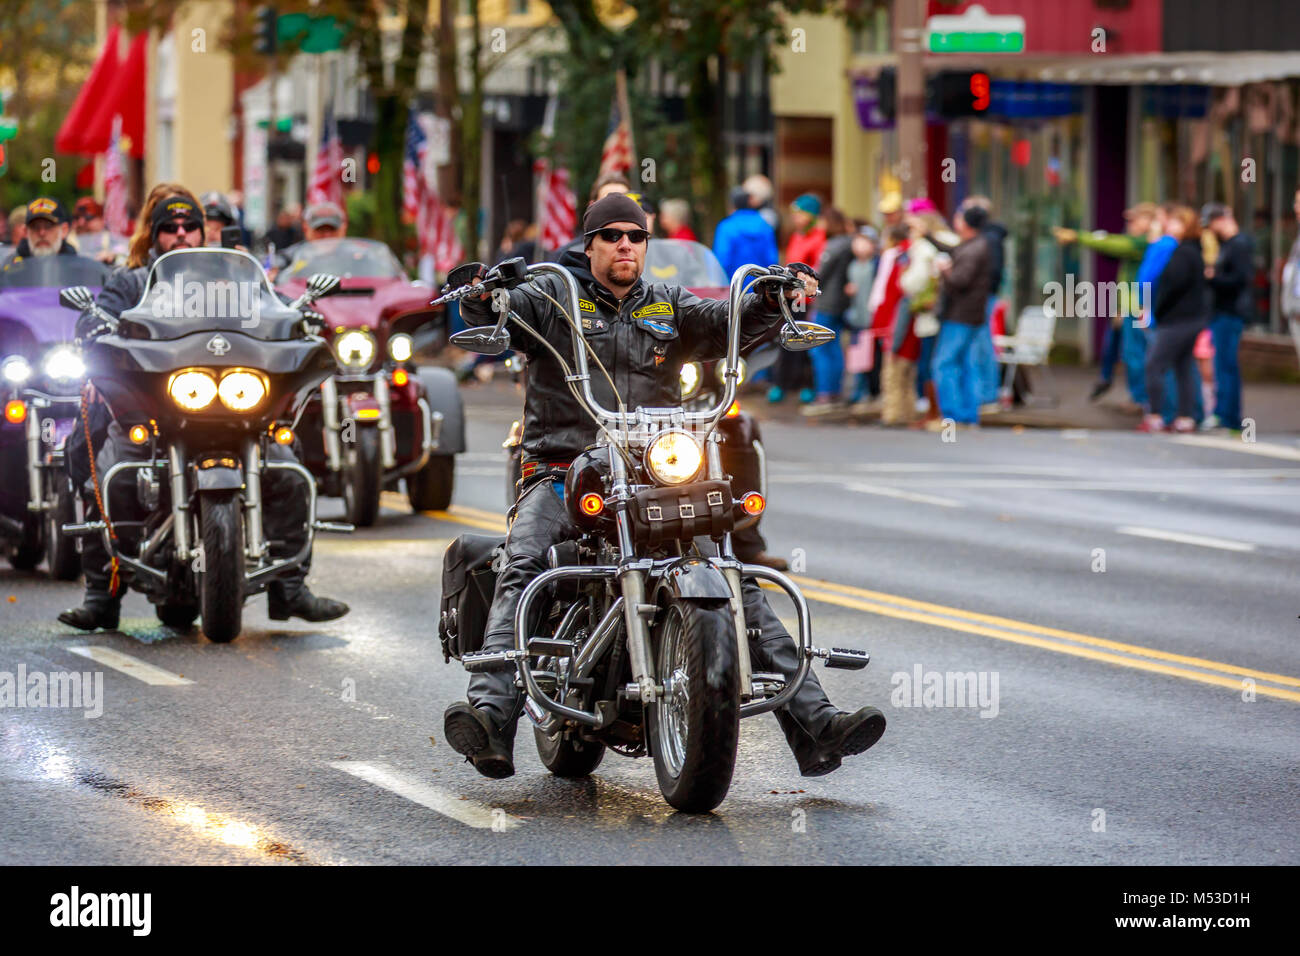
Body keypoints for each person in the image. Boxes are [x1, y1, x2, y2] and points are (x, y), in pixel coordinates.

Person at [442, 192, 886, 780]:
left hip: (653, 470)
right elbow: (501, 312)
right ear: (590, 244)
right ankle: (492, 714)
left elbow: (725, 323)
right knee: (525, 557)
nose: (625, 244)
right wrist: (482, 293)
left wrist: (772, 300)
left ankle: (814, 723)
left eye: (635, 235)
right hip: (561, 467)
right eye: (612, 235)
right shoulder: (554, 297)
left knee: (732, 578)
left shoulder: (666, 305)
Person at [58, 186, 349, 631]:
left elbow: (271, 312)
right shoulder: (132, 280)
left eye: (189, 226)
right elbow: (98, 315)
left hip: (234, 404)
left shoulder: (233, 280)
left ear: (201, 231)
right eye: (169, 227)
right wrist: (93, 321)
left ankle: (289, 587)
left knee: (288, 469)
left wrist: (299, 317)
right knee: (114, 471)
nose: (181, 234)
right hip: (158, 411)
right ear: (153, 235)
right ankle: (102, 595)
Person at [1054, 202, 1154, 407]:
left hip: (1139, 307)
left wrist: (1077, 236)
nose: (1131, 225)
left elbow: (1114, 244)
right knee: (1120, 350)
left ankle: (1142, 399)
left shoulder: (1144, 243)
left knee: (1136, 353)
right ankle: (1121, 387)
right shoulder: (1137, 242)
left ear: (1149, 221)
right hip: (1129, 305)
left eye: (1135, 220)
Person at [1140, 205, 1208, 433]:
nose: (1169, 225)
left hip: (1176, 319)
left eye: (1175, 222)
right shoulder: (1194, 251)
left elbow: (1171, 287)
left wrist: (1157, 310)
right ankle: (1186, 417)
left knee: (1154, 364)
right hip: (1191, 318)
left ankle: (1156, 415)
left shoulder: (1182, 253)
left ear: (1186, 226)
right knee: (1184, 367)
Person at [929, 206, 991, 429]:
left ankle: (953, 415)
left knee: (944, 364)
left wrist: (945, 270)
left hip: (960, 315)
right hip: (970, 315)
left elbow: (960, 280)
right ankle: (968, 415)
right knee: (967, 364)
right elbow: (952, 249)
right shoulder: (973, 245)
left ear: (966, 223)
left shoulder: (974, 249)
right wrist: (928, 235)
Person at [898, 201, 957, 424]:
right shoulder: (951, 240)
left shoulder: (923, 246)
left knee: (931, 361)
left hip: (931, 312)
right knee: (949, 360)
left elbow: (914, 281)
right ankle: (946, 409)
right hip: (951, 311)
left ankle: (933, 410)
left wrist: (903, 276)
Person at [1202, 202, 1253, 430]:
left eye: (1212, 223)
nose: (1211, 230)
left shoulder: (1238, 245)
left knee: (1226, 365)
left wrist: (1212, 278)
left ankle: (1228, 416)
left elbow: (1241, 279)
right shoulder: (1229, 245)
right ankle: (1224, 413)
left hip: (1230, 311)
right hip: (1223, 311)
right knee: (1223, 364)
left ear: (1221, 219)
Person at [803, 207, 854, 413]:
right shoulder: (849, 244)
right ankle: (835, 391)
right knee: (833, 348)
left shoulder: (834, 246)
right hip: (840, 302)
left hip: (827, 303)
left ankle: (825, 393)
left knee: (819, 348)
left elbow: (819, 273)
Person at [843, 226, 881, 410]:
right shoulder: (852, 265)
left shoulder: (876, 265)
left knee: (872, 360)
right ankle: (857, 393)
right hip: (856, 318)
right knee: (858, 358)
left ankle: (871, 392)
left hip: (872, 319)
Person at [712, 186, 779, 280]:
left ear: (733, 205)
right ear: (749, 203)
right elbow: (772, 259)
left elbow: (722, 260)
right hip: (761, 286)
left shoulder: (726, 227)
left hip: (735, 287)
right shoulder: (764, 226)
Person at [2, 197, 79, 267]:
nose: (42, 233)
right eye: (35, 227)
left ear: (64, 231)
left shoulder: (80, 268)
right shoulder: (11, 267)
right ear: (25, 232)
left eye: (49, 226)